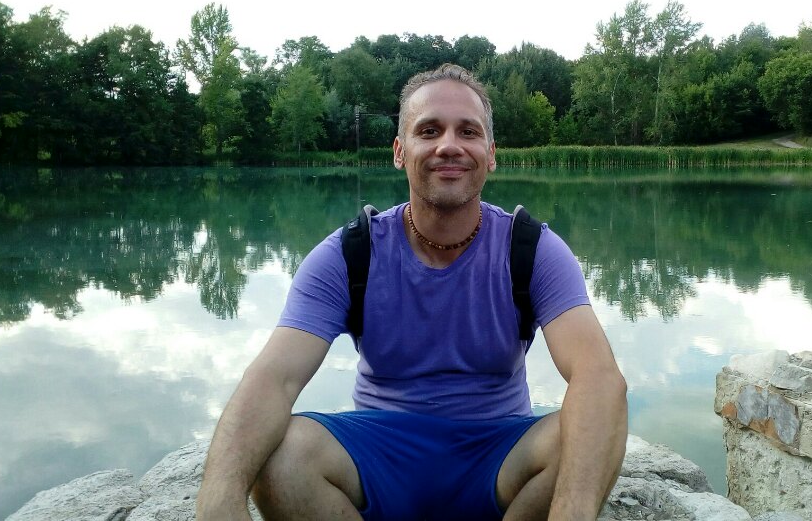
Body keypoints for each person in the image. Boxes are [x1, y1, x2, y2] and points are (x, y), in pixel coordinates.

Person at [195, 64, 627, 521]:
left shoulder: (533, 249)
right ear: (400, 152)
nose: (449, 145)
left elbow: (597, 375)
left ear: (490, 154)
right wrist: (218, 501)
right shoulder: (349, 253)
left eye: (468, 131)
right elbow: (273, 379)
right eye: (429, 130)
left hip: (500, 456)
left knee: (590, 430)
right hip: (378, 459)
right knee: (282, 459)